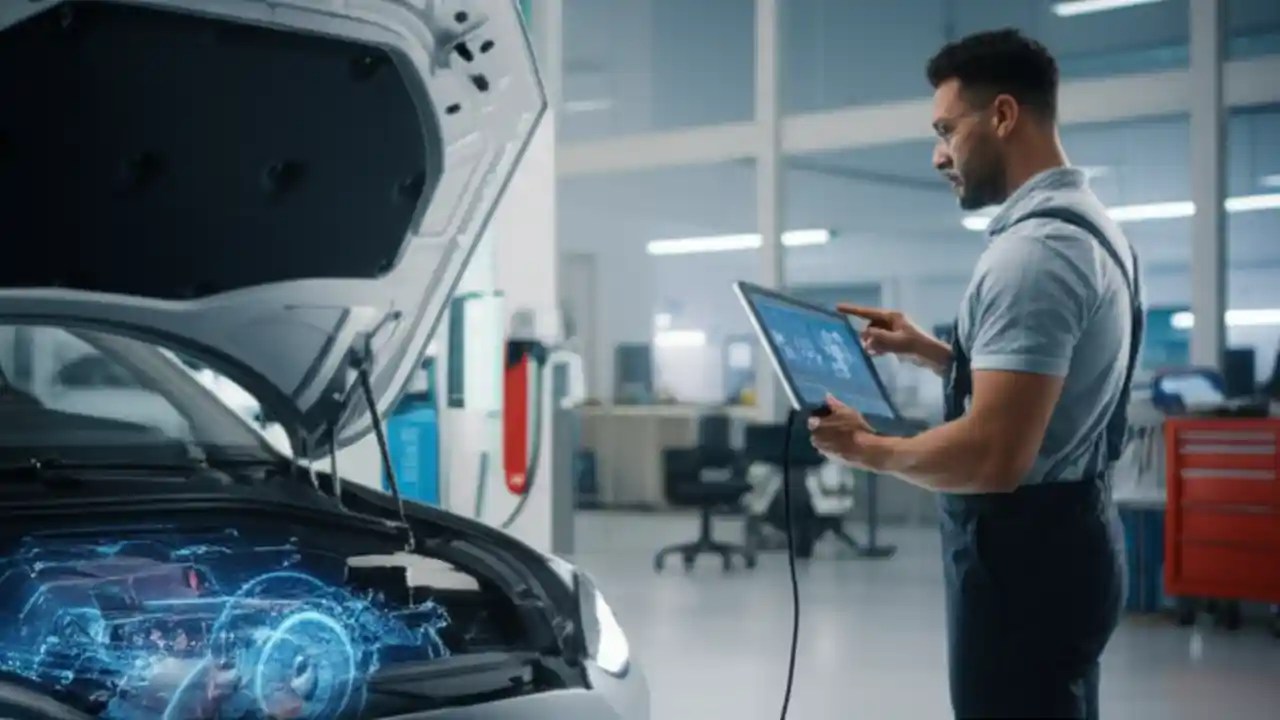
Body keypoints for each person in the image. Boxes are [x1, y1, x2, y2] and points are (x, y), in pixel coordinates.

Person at [808, 28, 1143, 720]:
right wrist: (934, 352)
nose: (938, 155)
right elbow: (1051, 385)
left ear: (1003, 116)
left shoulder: (1036, 253)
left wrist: (869, 448)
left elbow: (994, 454)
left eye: (945, 129)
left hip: (1027, 565)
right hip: (1072, 539)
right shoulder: (1088, 224)